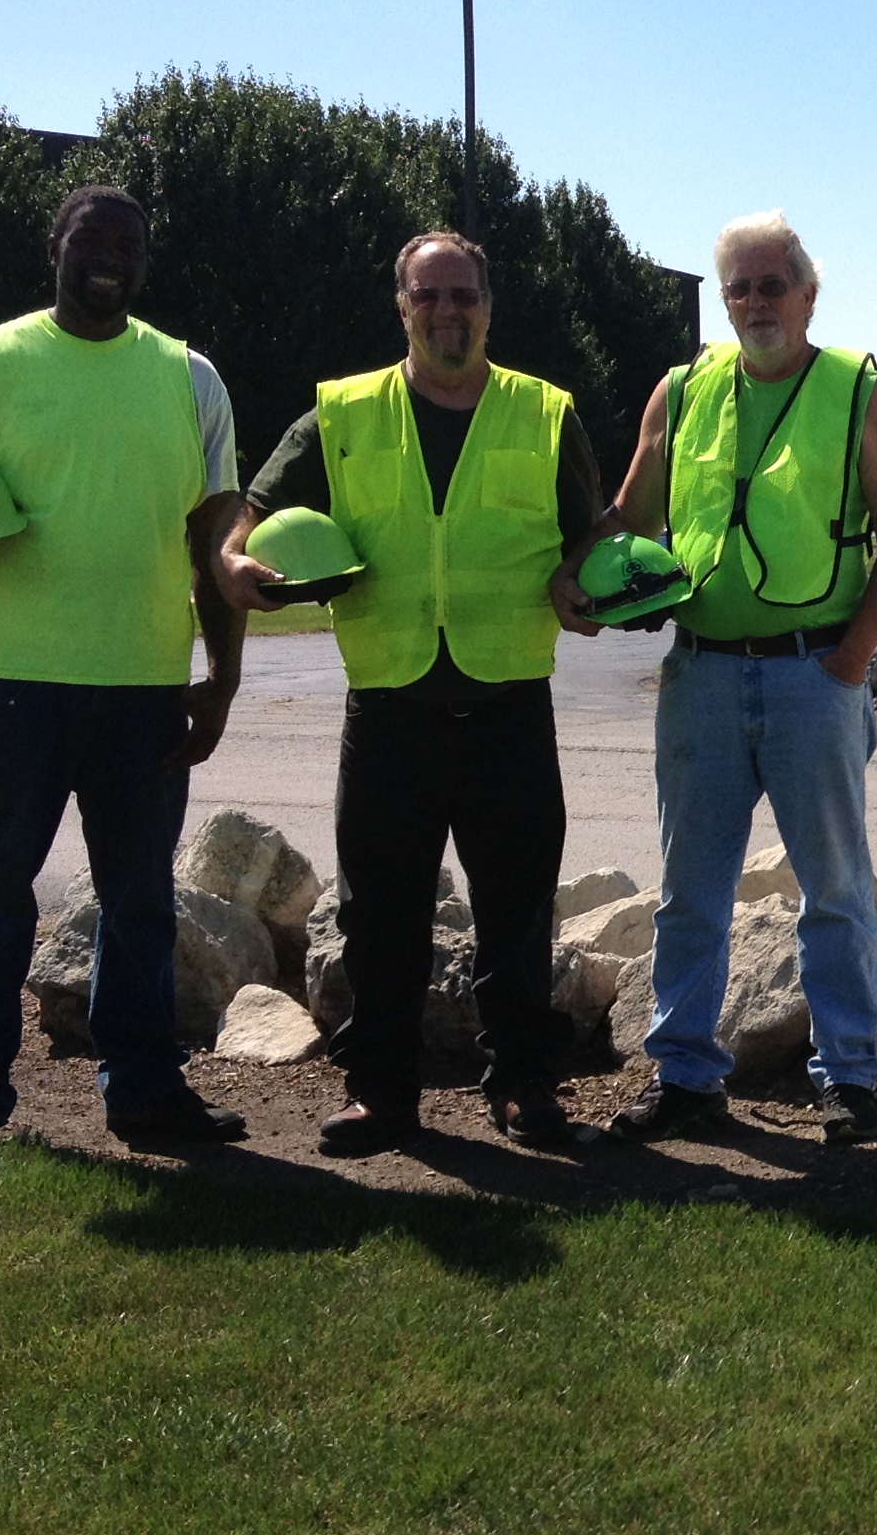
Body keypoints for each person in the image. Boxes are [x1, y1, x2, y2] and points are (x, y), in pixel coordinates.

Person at [0, 185, 249, 1153]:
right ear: (56, 247)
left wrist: (221, 677)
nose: (112, 256)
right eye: (93, 239)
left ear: (145, 261)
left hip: (146, 687)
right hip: (14, 688)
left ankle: (145, 1095)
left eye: (131, 244)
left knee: (143, 905)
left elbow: (214, 540)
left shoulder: (189, 378)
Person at [216, 231, 603, 1156]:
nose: (447, 311)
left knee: (516, 910)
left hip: (508, 701)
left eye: (463, 294)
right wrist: (234, 560)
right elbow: (252, 513)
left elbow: (587, 536)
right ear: (402, 306)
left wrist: (585, 584)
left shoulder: (546, 413)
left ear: (489, 305)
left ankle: (521, 1087)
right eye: (428, 296)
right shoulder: (340, 415)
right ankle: (381, 1096)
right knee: (379, 919)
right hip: (388, 706)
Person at [601, 211, 877, 1145]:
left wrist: (850, 661)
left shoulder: (858, 389)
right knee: (689, 889)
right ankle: (686, 1077)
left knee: (835, 888)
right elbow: (630, 513)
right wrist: (578, 579)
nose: (752, 303)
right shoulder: (681, 390)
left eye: (770, 285)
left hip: (810, 676)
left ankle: (850, 1079)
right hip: (699, 673)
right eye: (737, 287)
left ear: (809, 294)